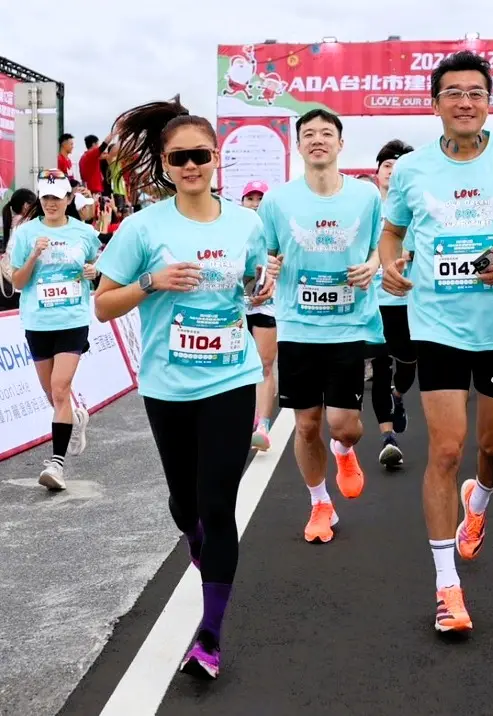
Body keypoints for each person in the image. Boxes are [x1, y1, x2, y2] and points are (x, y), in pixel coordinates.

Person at [379, 50, 493, 632]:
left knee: (492, 450)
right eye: (453, 93)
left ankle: (477, 504)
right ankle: (446, 586)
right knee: (444, 449)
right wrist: (391, 266)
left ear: (489, 102)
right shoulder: (411, 170)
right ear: (435, 103)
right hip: (436, 324)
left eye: (475, 93)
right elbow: (393, 231)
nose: (465, 102)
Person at [94, 96, 275, 680]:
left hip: (230, 376)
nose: (191, 165)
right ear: (166, 165)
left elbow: (249, 288)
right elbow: (103, 305)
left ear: (216, 158)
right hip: (167, 384)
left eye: (200, 155)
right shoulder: (144, 227)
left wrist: (259, 291)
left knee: (218, 504)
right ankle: (199, 544)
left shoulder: (246, 222)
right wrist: (152, 281)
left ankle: (210, 637)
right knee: (185, 505)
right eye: (180, 158)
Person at [258, 109, 380, 544]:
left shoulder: (365, 197)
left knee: (345, 424)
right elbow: (265, 255)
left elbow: (379, 248)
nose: (317, 140)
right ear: (298, 144)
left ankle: (344, 450)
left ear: (340, 144)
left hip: (347, 325)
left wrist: (372, 265)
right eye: (308, 134)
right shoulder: (277, 201)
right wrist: (267, 267)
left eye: (326, 133)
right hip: (296, 325)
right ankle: (319, 503)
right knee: (306, 423)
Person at [10, 170, 99, 490]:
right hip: (37, 321)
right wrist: (34, 254)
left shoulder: (84, 233)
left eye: (57, 197)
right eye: (45, 197)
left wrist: (93, 271)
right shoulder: (24, 233)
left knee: (60, 389)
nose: (51, 203)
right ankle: (74, 418)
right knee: (52, 394)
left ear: (68, 199)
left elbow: (95, 265)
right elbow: (17, 282)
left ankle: (56, 465)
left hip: (72, 320)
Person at [369, 139, 417, 468]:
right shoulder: (366, 208)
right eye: (388, 166)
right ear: (378, 173)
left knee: (407, 366)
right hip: (372, 302)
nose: (393, 171)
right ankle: (388, 437)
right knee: (381, 366)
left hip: (407, 301)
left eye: (400, 167)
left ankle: (399, 398)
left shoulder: (416, 209)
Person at [240, 181, 277, 451]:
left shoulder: (273, 229)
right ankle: (243, 420)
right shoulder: (232, 229)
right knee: (239, 365)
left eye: (259, 198)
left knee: (264, 364)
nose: (255, 203)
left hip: (267, 305)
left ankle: (262, 425)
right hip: (237, 306)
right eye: (250, 198)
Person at [1, 188, 37, 309]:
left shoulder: (16, 223)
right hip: (21, 284)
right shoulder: (26, 226)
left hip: (13, 282)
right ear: (26, 205)